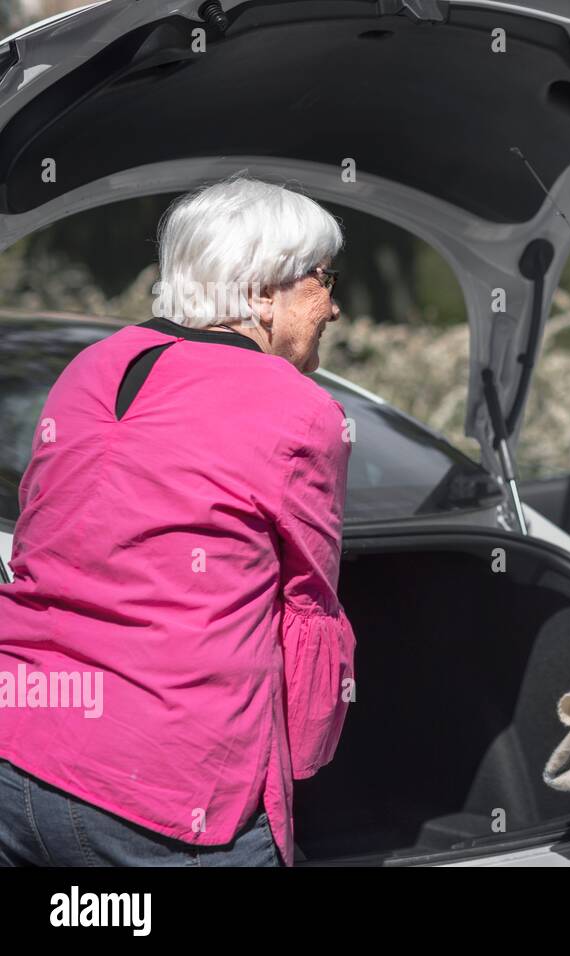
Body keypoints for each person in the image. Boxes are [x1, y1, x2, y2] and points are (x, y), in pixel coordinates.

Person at [0, 176, 354, 866]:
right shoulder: (299, 406)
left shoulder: (91, 364)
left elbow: (59, 531)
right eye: (321, 278)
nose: (334, 307)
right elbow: (307, 610)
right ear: (257, 291)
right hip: (168, 793)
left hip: (18, 752)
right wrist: (299, 782)